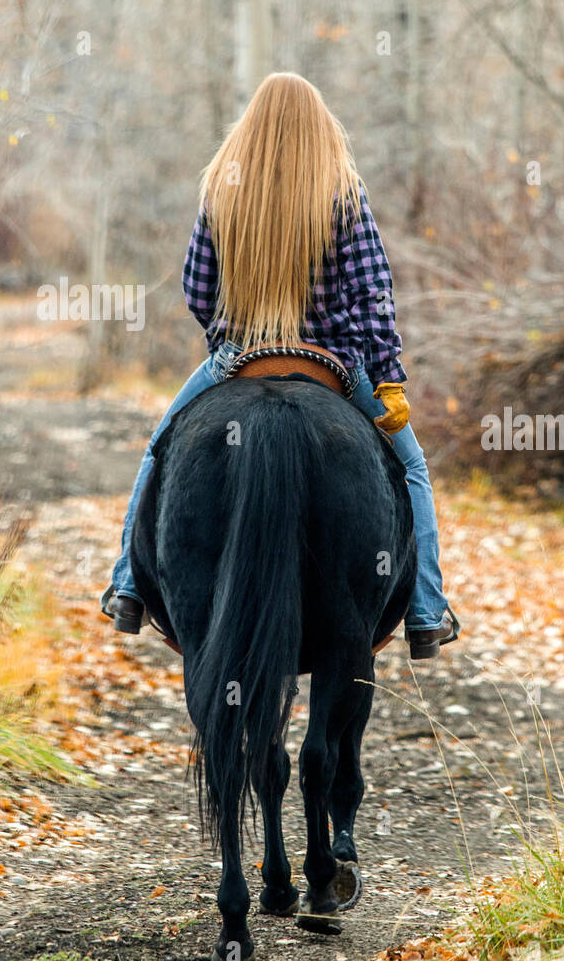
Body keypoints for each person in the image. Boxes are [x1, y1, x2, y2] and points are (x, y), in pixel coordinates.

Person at [100, 71, 459, 659]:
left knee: (160, 447)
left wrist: (229, 335)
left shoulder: (222, 186)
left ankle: (128, 586)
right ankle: (425, 611)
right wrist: (386, 374)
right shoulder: (342, 190)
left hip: (239, 357)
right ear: (321, 125)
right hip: (335, 362)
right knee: (412, 466)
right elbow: (373, 296)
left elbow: (197, 289)